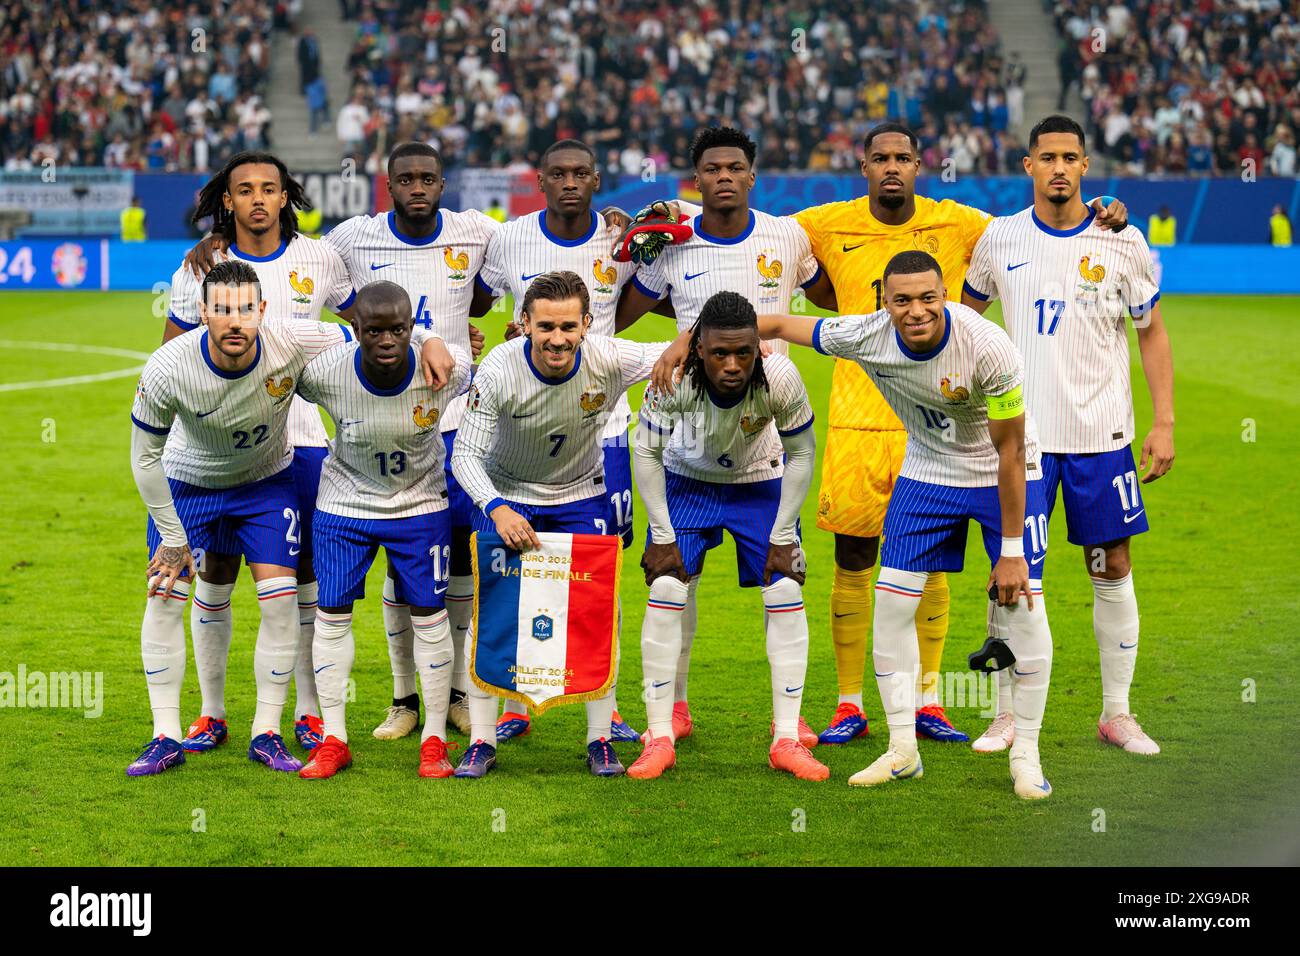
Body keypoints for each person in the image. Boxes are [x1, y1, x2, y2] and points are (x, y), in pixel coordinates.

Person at [656, 250, 1057, 800]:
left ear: (946, 295)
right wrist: (687, 340)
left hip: (1004, 469)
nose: (916, 311)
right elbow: (772, 323)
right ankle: (901, 751)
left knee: (1024, 604)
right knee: (891, 606)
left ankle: (1027, 754)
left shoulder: (987, 347)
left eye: (928, 297)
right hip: (928, 471)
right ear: (882, 303)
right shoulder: (864, 335)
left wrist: (1011, 551)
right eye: (902, 300)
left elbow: (1011, 448)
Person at [127, 260, 455, 776]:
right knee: (166, 596)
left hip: (265, 482)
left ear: (263, 310)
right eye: (221, 310)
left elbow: (375, 325)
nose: (234, 321)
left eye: (244, 310)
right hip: (188, 482)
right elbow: (143, 459)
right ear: (202, 313)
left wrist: (431, 339)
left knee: (280, 602)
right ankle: (165, 733)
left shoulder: (295, 338)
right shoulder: (168, 367)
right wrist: (171, 538)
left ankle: (267, 730)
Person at [613, 126, 835, 747]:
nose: (725, 178)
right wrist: (624, 253)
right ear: (697, 179)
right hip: (689, 440)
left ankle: (786, 723)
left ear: (752, 175)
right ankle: (674, 710)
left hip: (764, 438)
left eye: (736, 167)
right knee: (673, 582)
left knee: (784, 581)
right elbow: (622, 311)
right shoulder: (675, 247)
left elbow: (832, 293)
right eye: (712, 169)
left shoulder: (784, 236)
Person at [962, 114, 1174, 756]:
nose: (1058, 167)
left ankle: (1118, 713)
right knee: (1013, 575)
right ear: (1027, 166)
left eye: (1070, 157)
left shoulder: (1124, 241)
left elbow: (1153, 333)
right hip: (1019, 443)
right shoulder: (999, 239)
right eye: (1046, 156)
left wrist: (1163, 421)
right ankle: (1005, 715)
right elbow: (964, 324)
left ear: (1085, 167)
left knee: (1110, 566)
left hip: (1102, 434)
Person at [165, 151, 356, 757]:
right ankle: (210, 713)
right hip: (219, 450)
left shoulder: (319, 257)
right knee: (215, 574)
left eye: (268, 189)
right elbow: (171, 361)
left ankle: (303, 712)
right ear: (227, 200)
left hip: (302, 441)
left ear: (284, 198)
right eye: (243, 189)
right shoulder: (201, 267)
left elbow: (368, 325)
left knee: (300, 580)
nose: (256, 199)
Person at [449, 271, 671, 778]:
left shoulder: (610, 357)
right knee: (493, 615)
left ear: (587, 324)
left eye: (569, 326)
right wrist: (496, 507)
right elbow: (464, 456)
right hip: (508, 495)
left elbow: (681, 347)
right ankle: (482, 742)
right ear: (524, 323)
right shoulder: (500, 370)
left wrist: (751, 345)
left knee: (597, 611)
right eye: (545, 326)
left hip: (580, 495)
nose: (557, 338)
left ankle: (600, 740)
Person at [473, 139, 651, 743]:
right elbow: (476, 302)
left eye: (581, 173)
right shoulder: (509, 238)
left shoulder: (620, 238)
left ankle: (609, 700)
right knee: (519, 569)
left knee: (600, 571)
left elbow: (662, 255)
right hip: (525, 423)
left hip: (604, 423)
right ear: (540, 180)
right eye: (558, 174)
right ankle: (519, 696)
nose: (571, 182)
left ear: (597, 179)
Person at [630, 291, 825, 781]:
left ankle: (785, 737)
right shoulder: (673, 379)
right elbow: (646, 452)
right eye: (720, 353)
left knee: (784, 587)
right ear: (698, 349)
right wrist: (659, 533)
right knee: (668, 586)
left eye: (744, 352)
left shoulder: (780, 377)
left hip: (759, 481)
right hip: (687, 478)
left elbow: (802, 454)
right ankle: (661, 732)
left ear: (759, 347)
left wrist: (783, 534)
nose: (733, 364)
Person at [295, 282, 471, 779]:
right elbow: (281, 369)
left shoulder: (443, 367)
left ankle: (434, 739)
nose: (388, 340)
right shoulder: (327, 373)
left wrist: (435, 341)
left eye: (398, 329)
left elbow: (475, 365)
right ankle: (334, 740)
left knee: (431, 618)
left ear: (412, 329)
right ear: (356, 330)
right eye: (375, 330)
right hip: (344, 503)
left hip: (419, 504)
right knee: (330, 617)